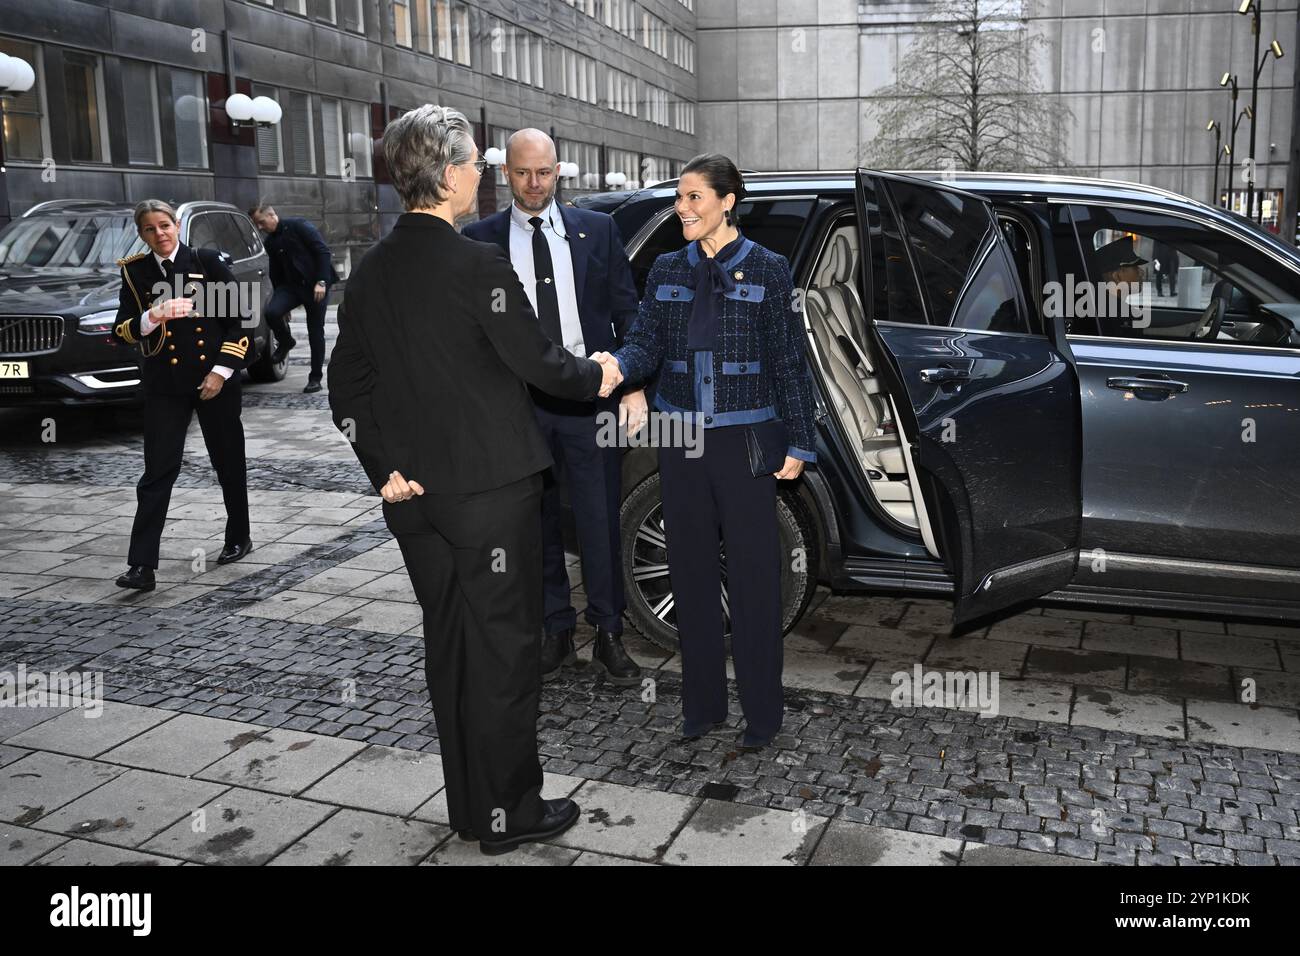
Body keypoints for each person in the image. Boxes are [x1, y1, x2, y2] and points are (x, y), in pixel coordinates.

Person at [327, 105, 622, 855]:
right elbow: (541, 363)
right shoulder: (478, 265)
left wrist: (383, 468)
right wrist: (601, 375)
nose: (482, 178)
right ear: (451, 174)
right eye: (477, 166)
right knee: (505, 651)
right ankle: (510, 813)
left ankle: (471, 807)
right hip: (490, 496)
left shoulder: (371, 271)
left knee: (452, 646)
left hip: (413, 502)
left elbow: (346, 388)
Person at [608, 154, 817, 750]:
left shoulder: (769, 268)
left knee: (754, 580)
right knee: (691, 575)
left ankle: (762, 716)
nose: (682, 208)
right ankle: (701, 710)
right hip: (681, 440)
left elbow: (788, 361)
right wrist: (616, 370)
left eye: (694, 197)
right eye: (679, 197)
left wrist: (799, 440)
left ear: (728, 202)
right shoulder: (666, 268)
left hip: (744, 441)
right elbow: (644, 342)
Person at [462, 129, 643, 687]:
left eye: (543, 172)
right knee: (535, 522)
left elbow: (627, 312)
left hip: (591, 400)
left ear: (558, 171)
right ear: (505, 173)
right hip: (519, 407)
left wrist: (632, 381)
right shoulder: (480, 240)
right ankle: (555, 629)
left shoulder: (599, 230)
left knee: (599, 519)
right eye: (522, 173)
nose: (534, 184)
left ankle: (608, 632)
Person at [112, 199, 254, 591]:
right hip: (166, 386)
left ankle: (239, 536)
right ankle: (142, 566)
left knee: (228, 461)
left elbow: (241, 322)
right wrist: (153, 315)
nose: (159, 234)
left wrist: (221, 372)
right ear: (141, 234)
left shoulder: (206, 263)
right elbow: (121, 330)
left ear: (176, 225)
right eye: (149, 229)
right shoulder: (135, 272)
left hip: (214, 381)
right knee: (158, 471)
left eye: (164, 225)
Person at [249, 203, 334, 393]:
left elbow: (323, 252)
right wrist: (282, 303)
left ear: (272, 215)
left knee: (315, 332)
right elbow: (276, 273)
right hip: (291, 288)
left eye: (261, 222)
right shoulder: (270, 242)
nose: (260, 228)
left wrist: (321, 281)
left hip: (315, 285)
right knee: (272, 312)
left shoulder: (299, 226)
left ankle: (315, 378)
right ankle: (286, 341)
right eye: (257, 225)